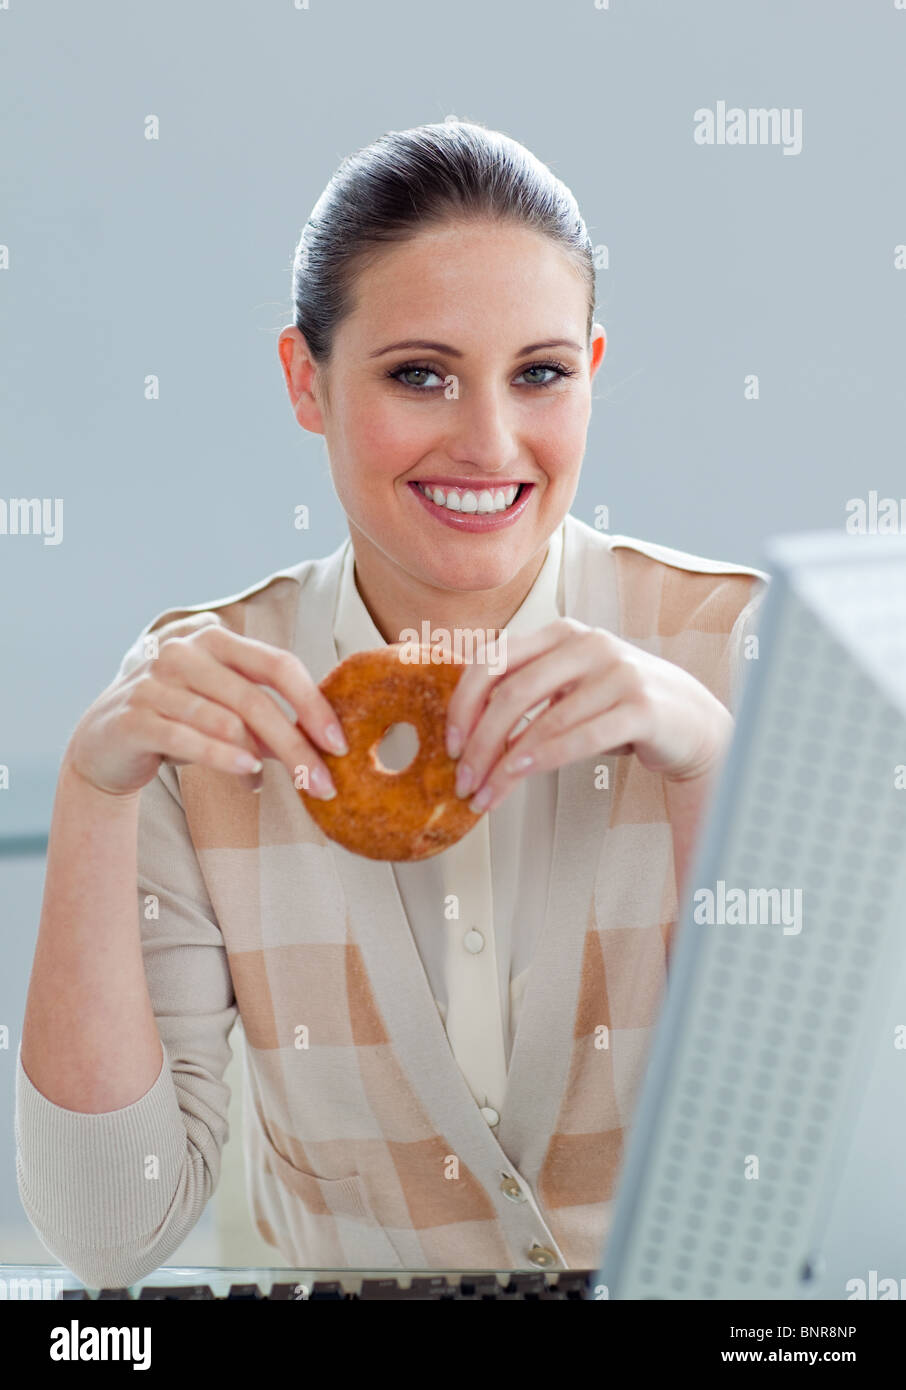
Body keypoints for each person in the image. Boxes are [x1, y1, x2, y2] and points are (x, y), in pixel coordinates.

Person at [16, 119, 768, 1287]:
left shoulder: (743, 653)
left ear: (593, 372)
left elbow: (806, 1182)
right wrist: (91, 791)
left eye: (541, 373)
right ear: (304, 381)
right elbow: (112, 1232)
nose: (488, 441)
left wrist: (713, 767)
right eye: (420, 373)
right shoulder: (201, 698)